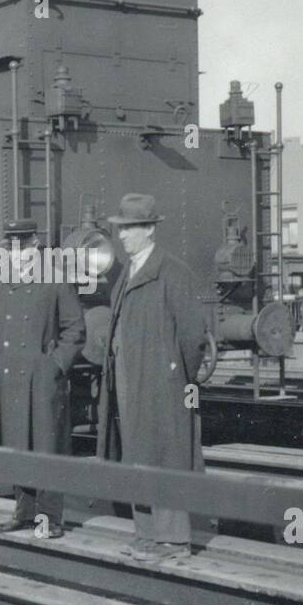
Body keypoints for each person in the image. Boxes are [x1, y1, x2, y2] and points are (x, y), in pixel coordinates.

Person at [96, 193, 209, 561]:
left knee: (166, 456)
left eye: (129, 229)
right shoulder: (127, 273)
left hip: (163, 383)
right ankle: (146, 536)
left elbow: (193, 336)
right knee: (138, 455)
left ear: (149, 230)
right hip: (130, 380)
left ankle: (173, 541)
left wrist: (177, 375)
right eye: (120, 229)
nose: (122, 236)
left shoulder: (173, 272)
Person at [0, 218, 85, 539]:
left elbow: (75, 329)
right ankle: (23, 513)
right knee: (17, 446)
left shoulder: (55, 280)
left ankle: (50, 518)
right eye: (11, 247)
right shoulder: (1, 282)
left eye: (22, 246)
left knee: (46, 448)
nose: (17, 253)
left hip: (41, 380)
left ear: (35, 245)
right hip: (8, 378)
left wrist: (55, 366)